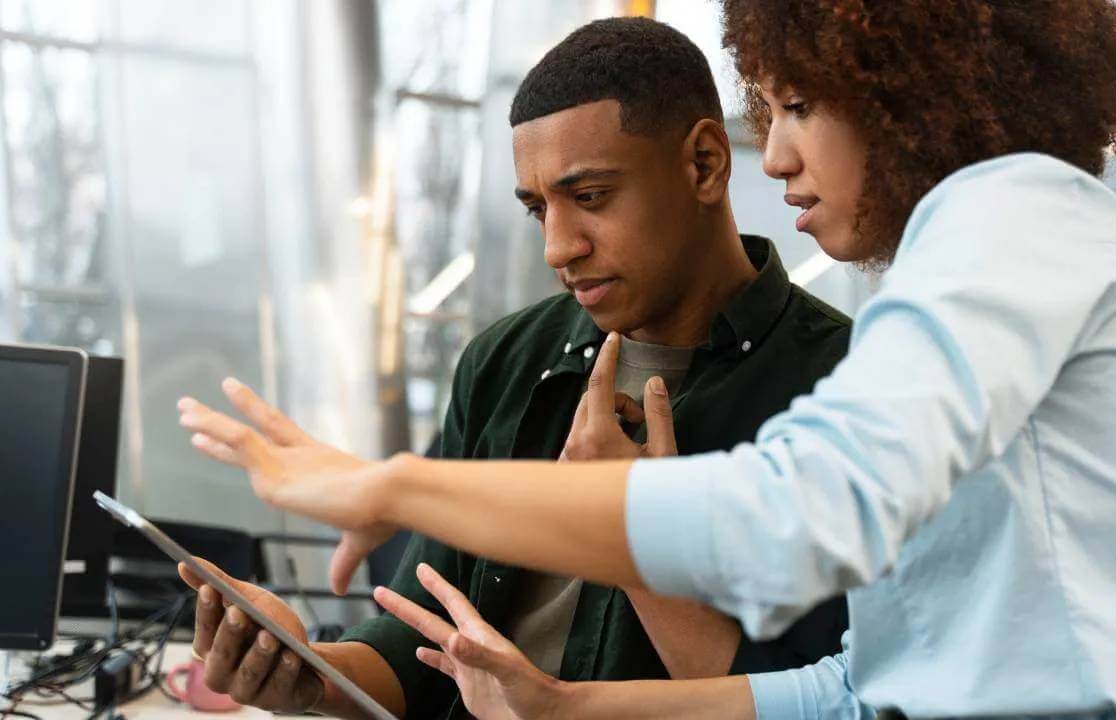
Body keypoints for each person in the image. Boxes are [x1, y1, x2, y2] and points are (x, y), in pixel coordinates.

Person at [177, 0, 1116, 717]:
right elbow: (863, 691)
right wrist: (564, 706)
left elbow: (796, 514)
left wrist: (396, 483)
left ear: (909, 92)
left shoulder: (1011, 215)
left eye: (796, 105)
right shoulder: (941, 282)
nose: (777, 152)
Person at [174, 17, 851, 720]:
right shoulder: (505, 361)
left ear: (705, 164)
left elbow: (813, 699)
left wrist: (626, 527)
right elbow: (417, 650)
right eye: (537, 210)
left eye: (590, 197)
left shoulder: (843, 385)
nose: (559, 247)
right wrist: (307, 675)